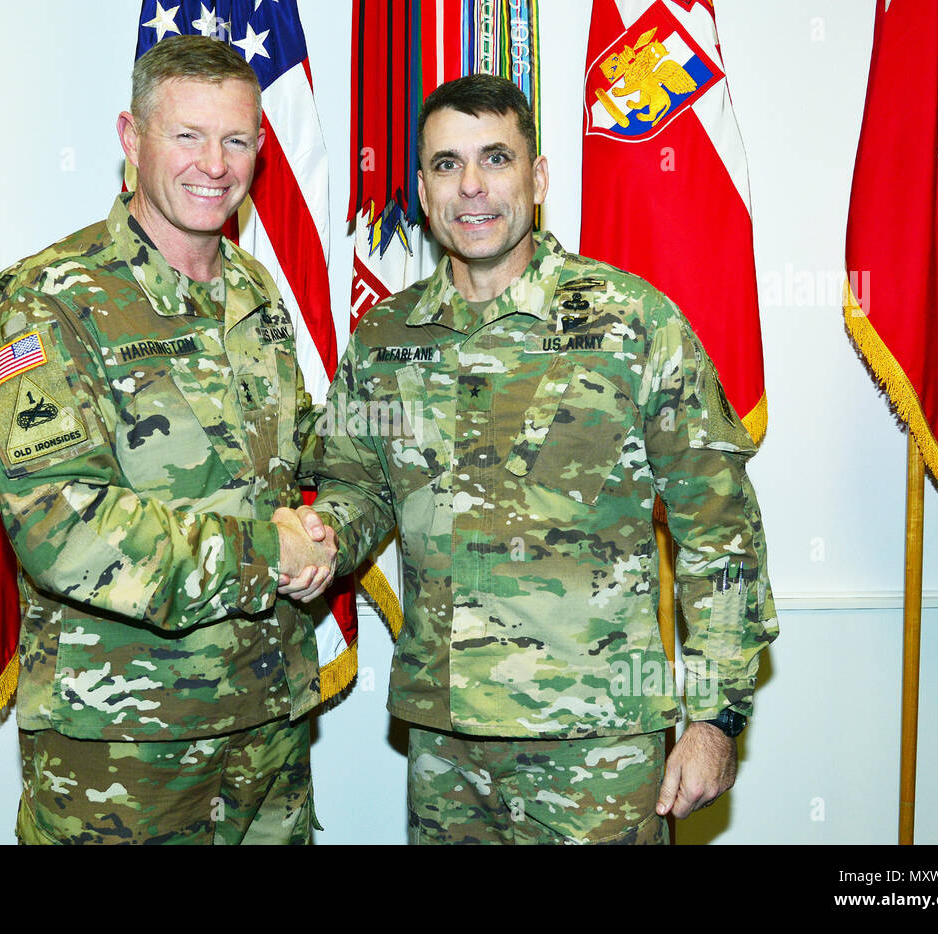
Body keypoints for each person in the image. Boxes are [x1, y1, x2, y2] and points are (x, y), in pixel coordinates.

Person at [307, 74, 778, 844]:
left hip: (597, 747)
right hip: (445, 745)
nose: (472, 187)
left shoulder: (632, 325)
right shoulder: (385, 339)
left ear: (539, 177)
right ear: (422, 190)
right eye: (447, 165)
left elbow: (720, 529)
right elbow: (356, 487)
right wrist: (319, 536)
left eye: (496, 158)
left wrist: (717, 716)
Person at [0, 35, 336, 845]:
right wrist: (264, 555)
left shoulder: (251, 284)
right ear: (131, 140)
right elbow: (63, 528)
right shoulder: (45, 304)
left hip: (268, 725)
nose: (215, 164)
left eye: (237, 139)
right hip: (126, 757)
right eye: (187, 135)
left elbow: (292, 446)